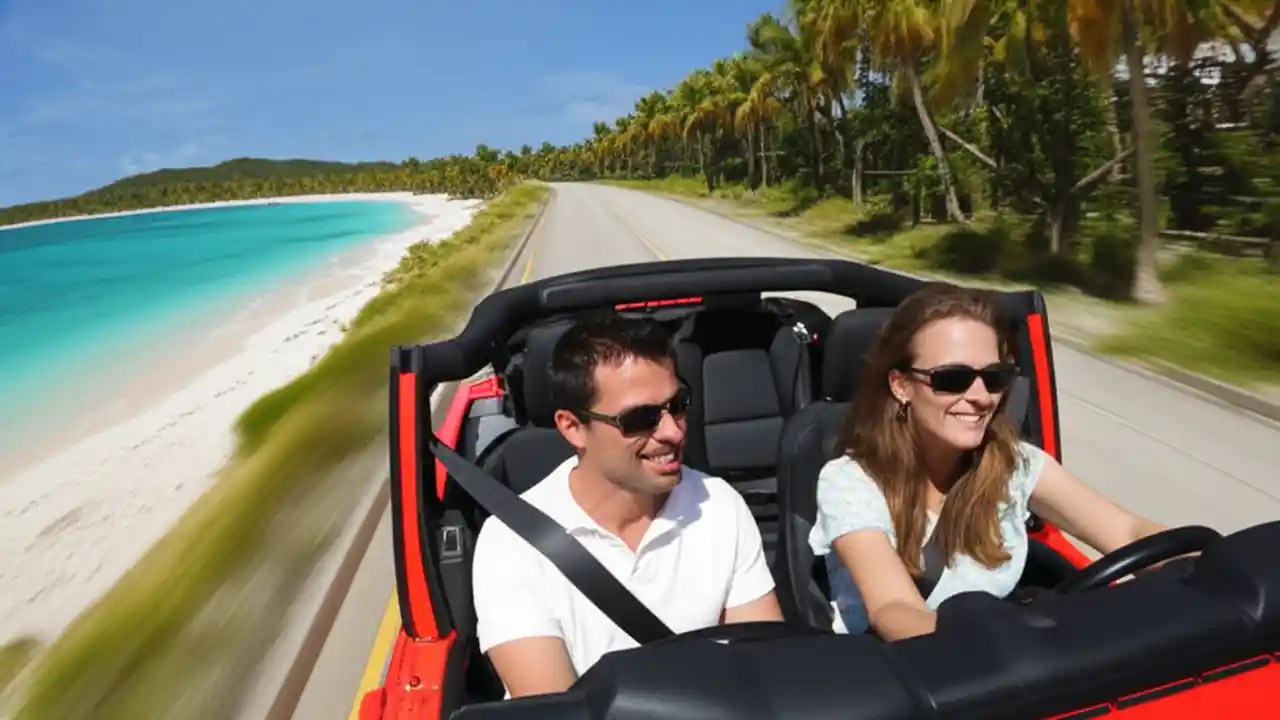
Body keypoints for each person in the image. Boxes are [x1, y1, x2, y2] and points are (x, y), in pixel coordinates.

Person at [809, 283, 1166, 641]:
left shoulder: (1015, 464)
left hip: (1007, 659)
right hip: (903, 669)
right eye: (952, 379)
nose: (980, 397)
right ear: (902, 386)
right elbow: (895, 609)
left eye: (994, 378)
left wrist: (1211, 566)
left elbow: (1127, 532)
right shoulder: (851, 482)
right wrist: (997, 644)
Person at [472, 313, 784, 698]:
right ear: (572, 427)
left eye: (678, 403)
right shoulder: (512, 544)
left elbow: (765, 669)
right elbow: (555, 709)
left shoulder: (718, 505)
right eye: (641, 418)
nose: (672, 431)